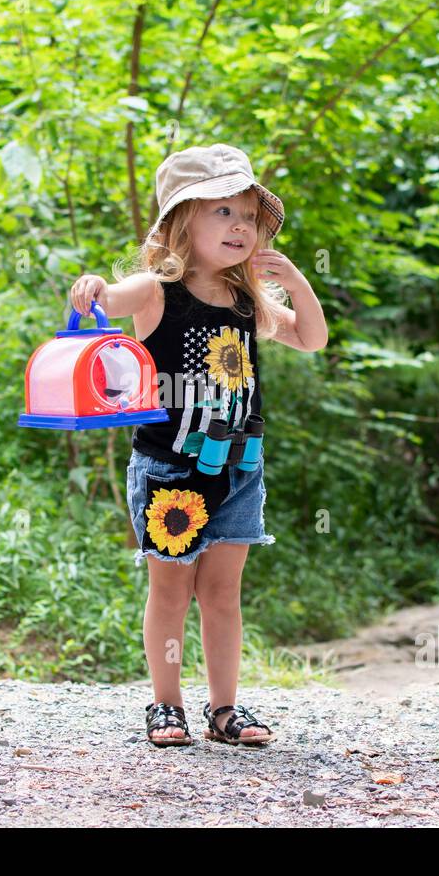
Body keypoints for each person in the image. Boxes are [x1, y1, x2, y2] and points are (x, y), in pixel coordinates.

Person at [68, 143, 328, 748]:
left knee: (221, 592)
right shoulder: (158, 290)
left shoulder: (247, 302)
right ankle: (165, 704)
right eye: (221, 213)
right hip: (170, 469)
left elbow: (311, 338)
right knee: (171, 590)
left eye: (247, 215)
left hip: (240, 469)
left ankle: (225, 708)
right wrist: (93, 289)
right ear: (182, 222)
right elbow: (110, 299)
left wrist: (294, 280)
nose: (239, 226)